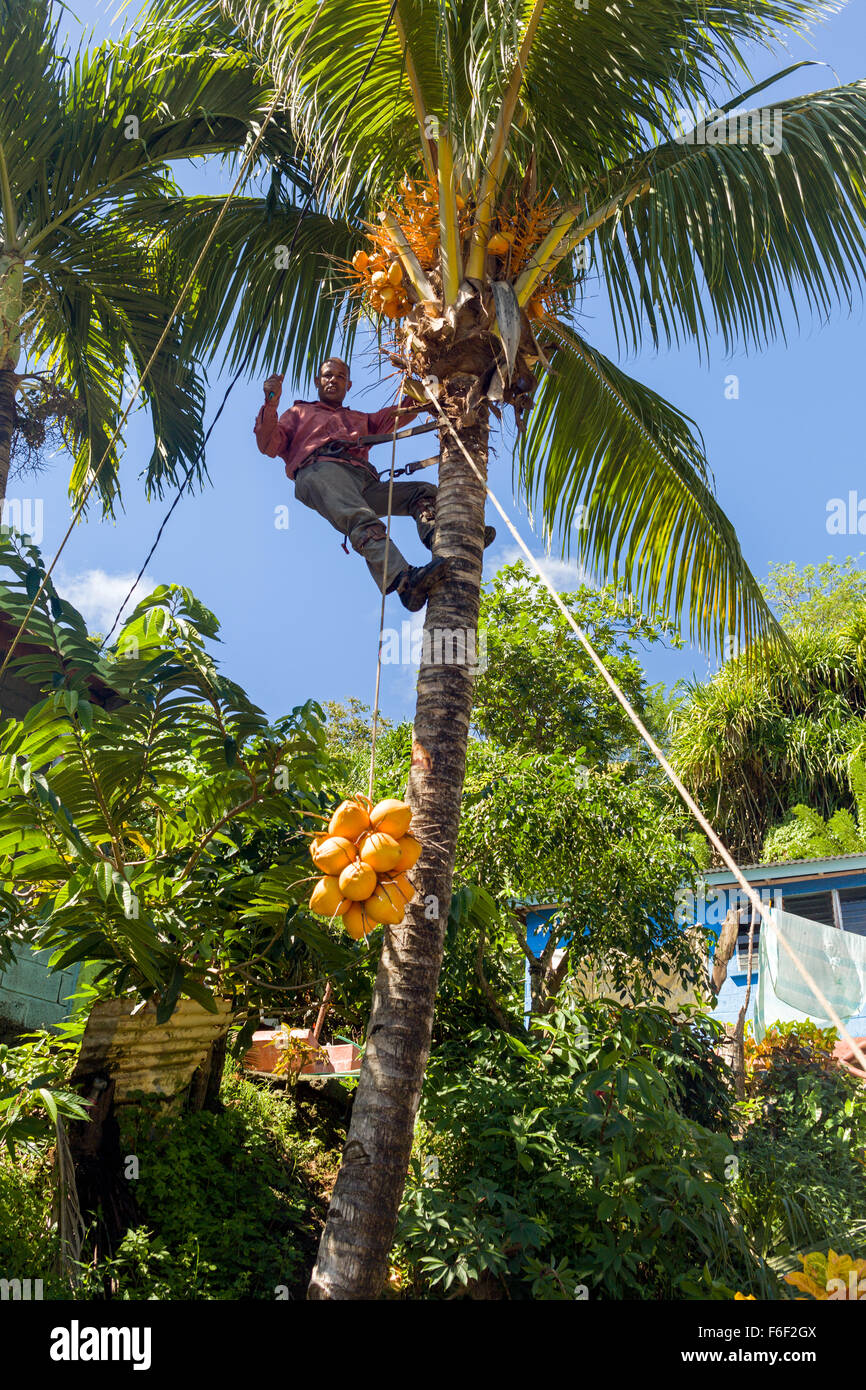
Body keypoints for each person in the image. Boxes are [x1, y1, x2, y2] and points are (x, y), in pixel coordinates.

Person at [254, 357, 493, 610]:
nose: (333, 380)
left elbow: (402, 413)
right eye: (327, 375)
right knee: (362, 520)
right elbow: (268, 444)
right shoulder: (299, 413)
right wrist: (271, 402)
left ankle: (440, 536)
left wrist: (431, 381)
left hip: (363, 481)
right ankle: (404, 582)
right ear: (317, 382)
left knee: (422, 492)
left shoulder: (360, 419)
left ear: (349, 385)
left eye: (340, 377)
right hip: (320, 471)